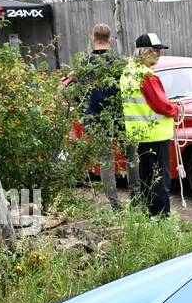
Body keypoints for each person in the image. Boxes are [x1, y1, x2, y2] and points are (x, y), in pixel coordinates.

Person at [119, 32, 180, 217]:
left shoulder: (127, 72)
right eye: (155, 50)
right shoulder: (146, 75)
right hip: (156, 135)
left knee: (145, 178)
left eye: (159, 50)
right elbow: (161, 105)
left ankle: (149, 216)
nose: (158, 54)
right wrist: (176, 110)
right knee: (159, 179)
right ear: (143, 52)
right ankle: (161, 218)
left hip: (137, 135)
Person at [71, 23, 124, 209]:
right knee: (132, 156)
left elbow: (76, 93)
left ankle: (115, 206)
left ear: (92, 38)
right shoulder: (119, 62)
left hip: (94, 117)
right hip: (119, 116)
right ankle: (137, 198)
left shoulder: (85, 64)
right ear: (111, 39)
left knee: (106, 161)